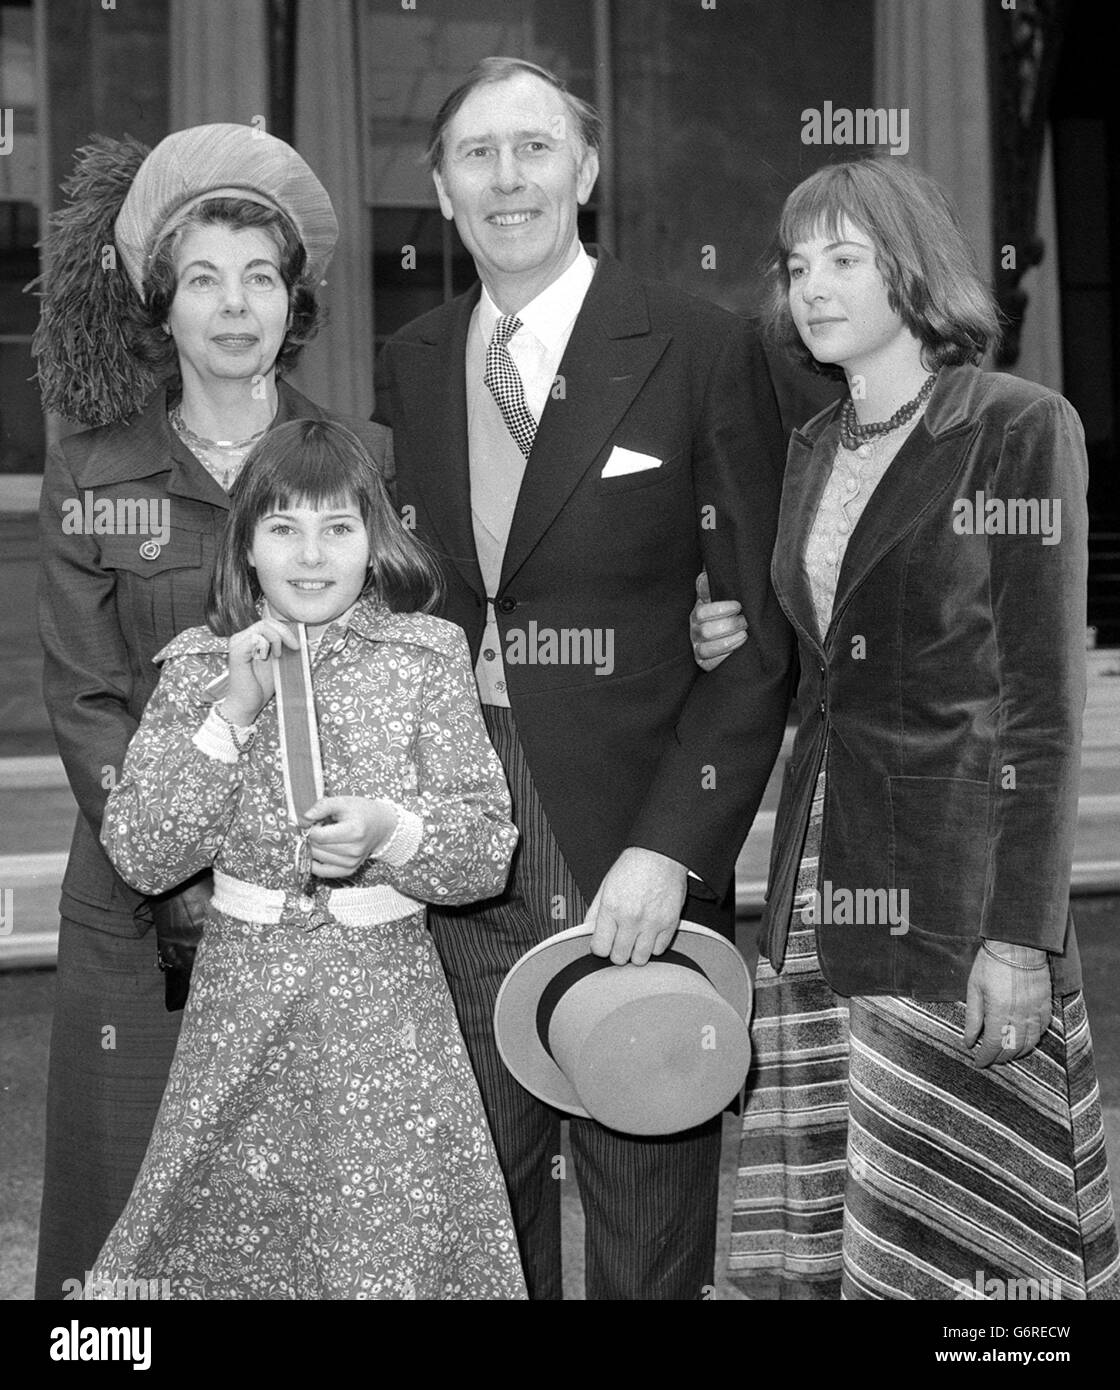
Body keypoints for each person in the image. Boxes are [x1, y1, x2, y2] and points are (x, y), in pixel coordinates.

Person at [374, 56, 794, 1300]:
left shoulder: (700, 346)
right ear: (443, 192)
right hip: (454, 832)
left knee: (644, 1210)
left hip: (629, 833)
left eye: (535, 147)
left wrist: (676, 847)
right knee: (479, 1200)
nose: (508, 178)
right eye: (476, 155)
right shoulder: (413, 358)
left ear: (586, 172)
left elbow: (755, 637)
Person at [692, 158, 1120, 1299]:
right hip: (824, 876)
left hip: (957, 891)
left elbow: (1042, 696)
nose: (813, 287)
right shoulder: (814, 446)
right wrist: (723, 637)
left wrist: (1022, 936)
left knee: (956, 1231)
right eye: (797, 265)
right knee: (840, 1228)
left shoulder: (1015, 428)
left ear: (912, 269)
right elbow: (818, 666)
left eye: (846, 259)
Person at [33, 124, 392, 1299]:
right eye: (203, 278)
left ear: (295, 305)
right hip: (138, 910)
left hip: (319, 906)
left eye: (260, 279)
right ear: (162, 305)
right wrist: (170, 853)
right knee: (125, 1222)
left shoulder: (362, 462)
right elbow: (84, 696)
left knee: (309, 1209)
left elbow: (397, 669)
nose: (233, 306)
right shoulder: (92, 472)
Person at [84, 419, 524, 1300]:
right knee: (234, 1247)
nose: (311, 554)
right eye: (283, 528)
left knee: (386, 1249)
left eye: (338, 527)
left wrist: (390, 832)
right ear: (246, 544)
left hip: (388, 1025)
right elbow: (141, 851)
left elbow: (486, 853)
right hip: (241, 1012)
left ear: (375, 540)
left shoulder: (426, 659)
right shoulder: (200, 667)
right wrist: (230, 717)